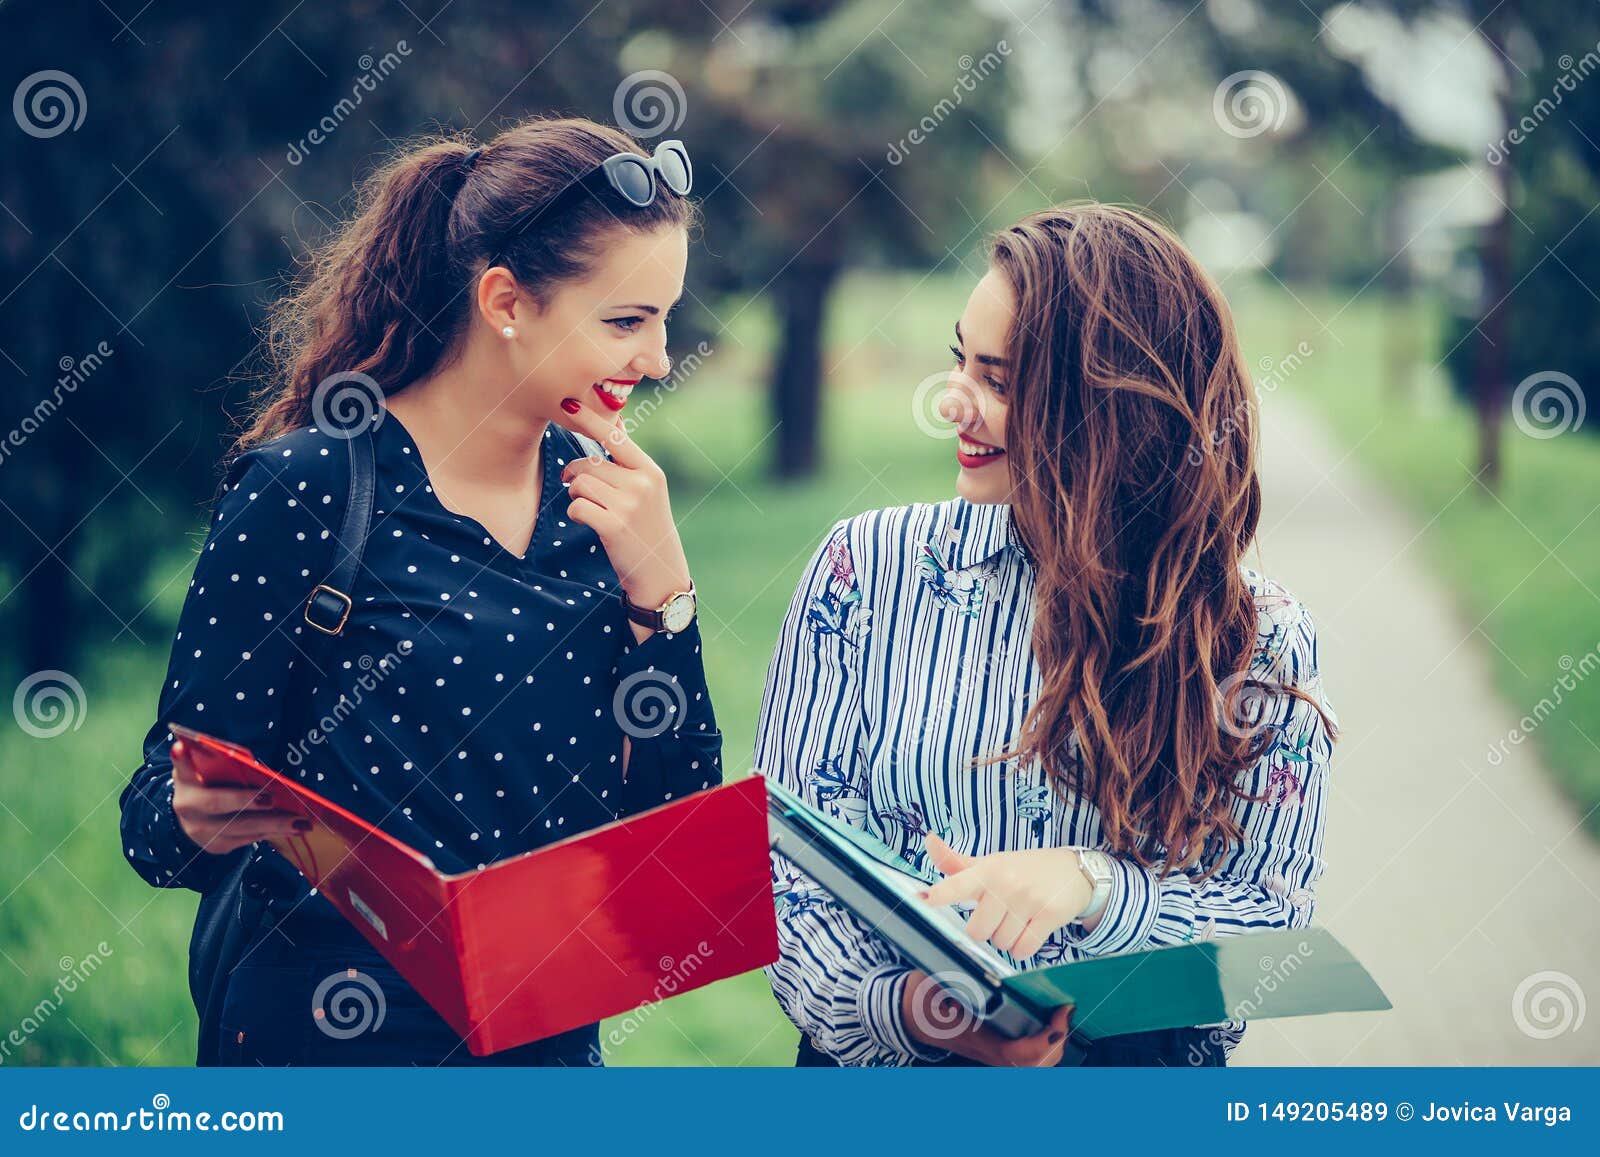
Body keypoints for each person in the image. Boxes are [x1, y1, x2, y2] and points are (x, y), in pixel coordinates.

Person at [118, 116, 718, 1066]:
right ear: (506, 302)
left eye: (664, 318)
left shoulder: (609, 514)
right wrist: (198, 815)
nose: (656, 358)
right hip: (326, 1050)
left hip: (547, 1052)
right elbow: (155, 821)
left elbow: (673, 832)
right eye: (626, 321)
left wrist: (664, 595)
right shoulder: (309, 489)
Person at [756, 203, 1337, 1067]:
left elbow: (1269, 925)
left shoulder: (1259, 635)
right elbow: (788, 868)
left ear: (1110, 411)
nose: (955, 400)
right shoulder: (863, 570)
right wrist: (913, 1009)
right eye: (962, 361)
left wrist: (1095, 886)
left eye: (1000, 380)